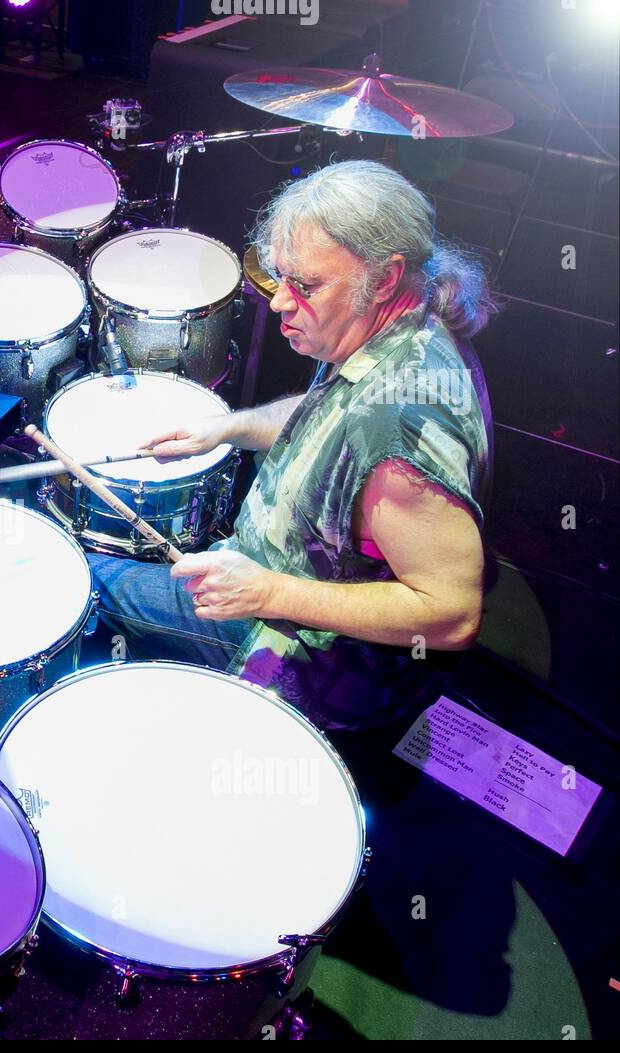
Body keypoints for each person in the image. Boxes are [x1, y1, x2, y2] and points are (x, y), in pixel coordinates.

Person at [88, 160, 496, 731]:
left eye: (305, 286)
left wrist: (267, 592)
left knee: (86, 580)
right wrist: (227, 427)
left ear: (383, 277)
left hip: (313, 661)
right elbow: (323, 423)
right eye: (280, 277)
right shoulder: (396, 327)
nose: (279, 302)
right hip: (272, 582)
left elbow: (450, 614)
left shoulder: (398, 426)